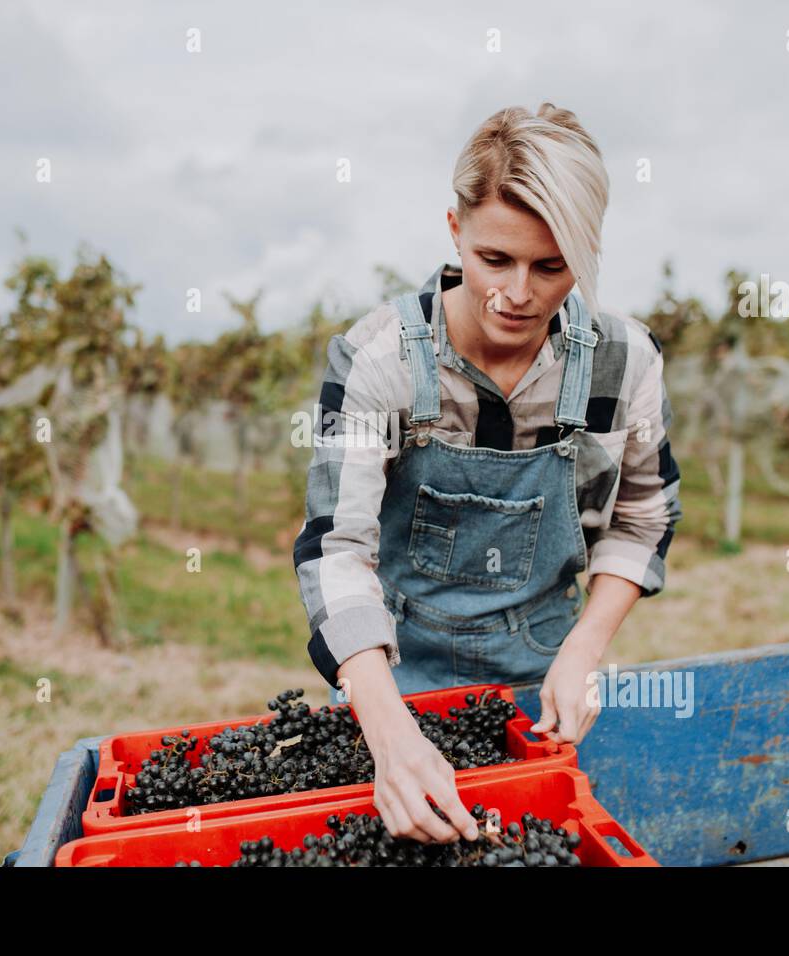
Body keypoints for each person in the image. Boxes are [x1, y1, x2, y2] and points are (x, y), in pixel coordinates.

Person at [292, 103, 683, 843]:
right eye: (493, 260)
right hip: (393, 674)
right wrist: (388, 731)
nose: (517, 294)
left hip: (544, 684)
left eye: (551, 266)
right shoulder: (378, 359)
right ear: (454, 231)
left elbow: (642, 516)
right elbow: (335, 548)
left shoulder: (622, 361)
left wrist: (584, 650)